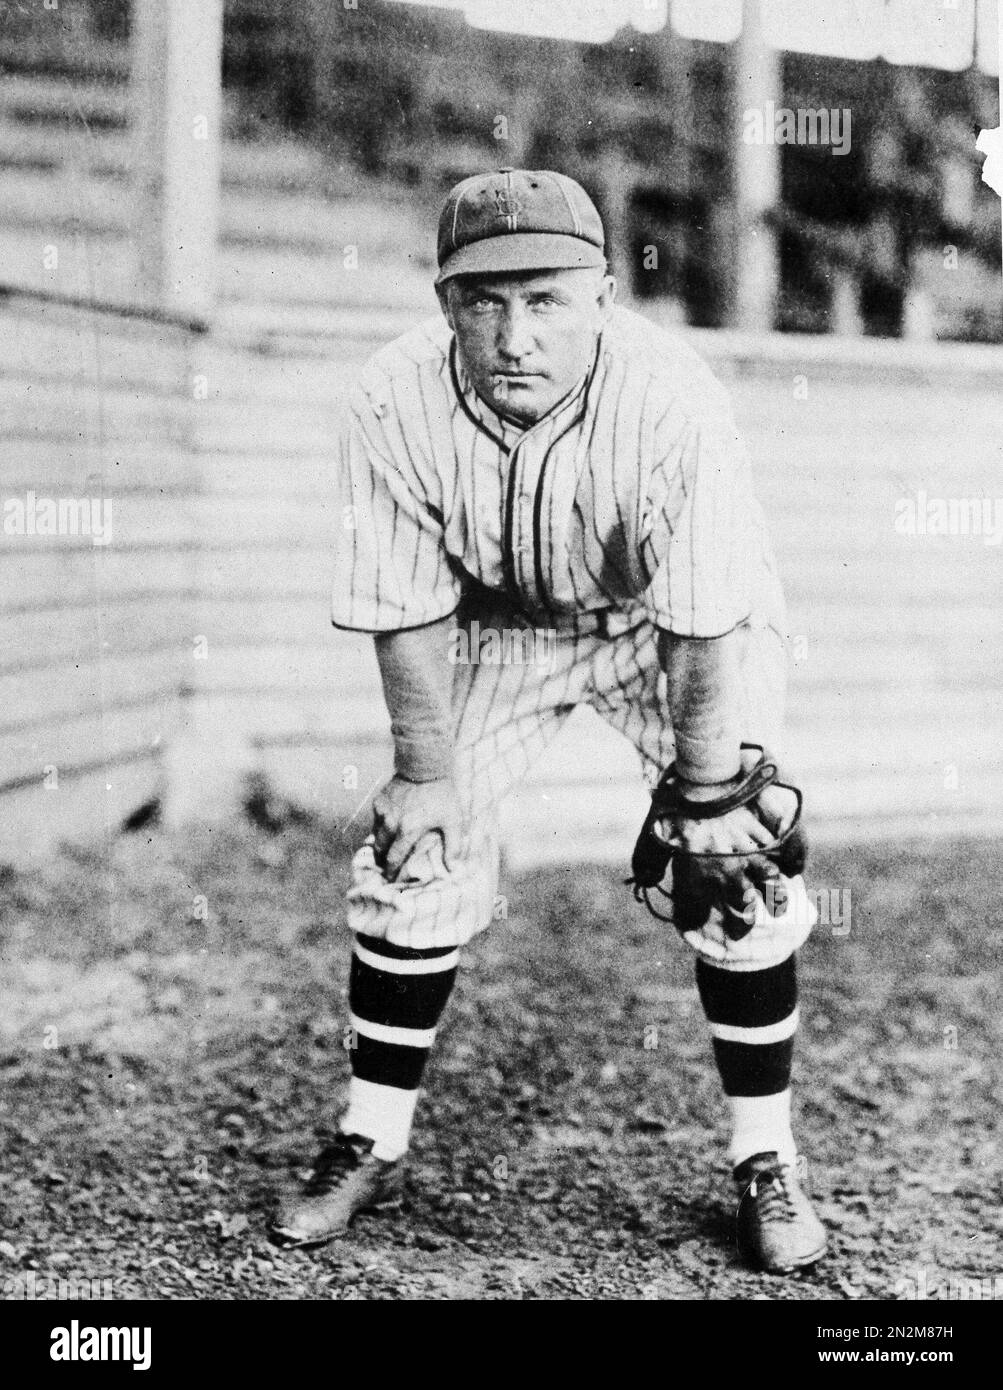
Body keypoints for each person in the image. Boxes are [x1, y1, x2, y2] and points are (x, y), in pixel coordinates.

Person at [270, 168, 827, 1273]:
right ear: (444, 306)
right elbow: (402, 604)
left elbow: (706, 613)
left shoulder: (672, 398)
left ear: (602, 298)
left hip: (660, 628)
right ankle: (370, 1137)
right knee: (411, 858)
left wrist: (707, 789)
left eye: (546, 301)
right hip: (498, 629)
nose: (515, 333)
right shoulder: (392, 398)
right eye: (486, 302)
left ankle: (765, 1157)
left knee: (743, 866)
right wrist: (425, 775)